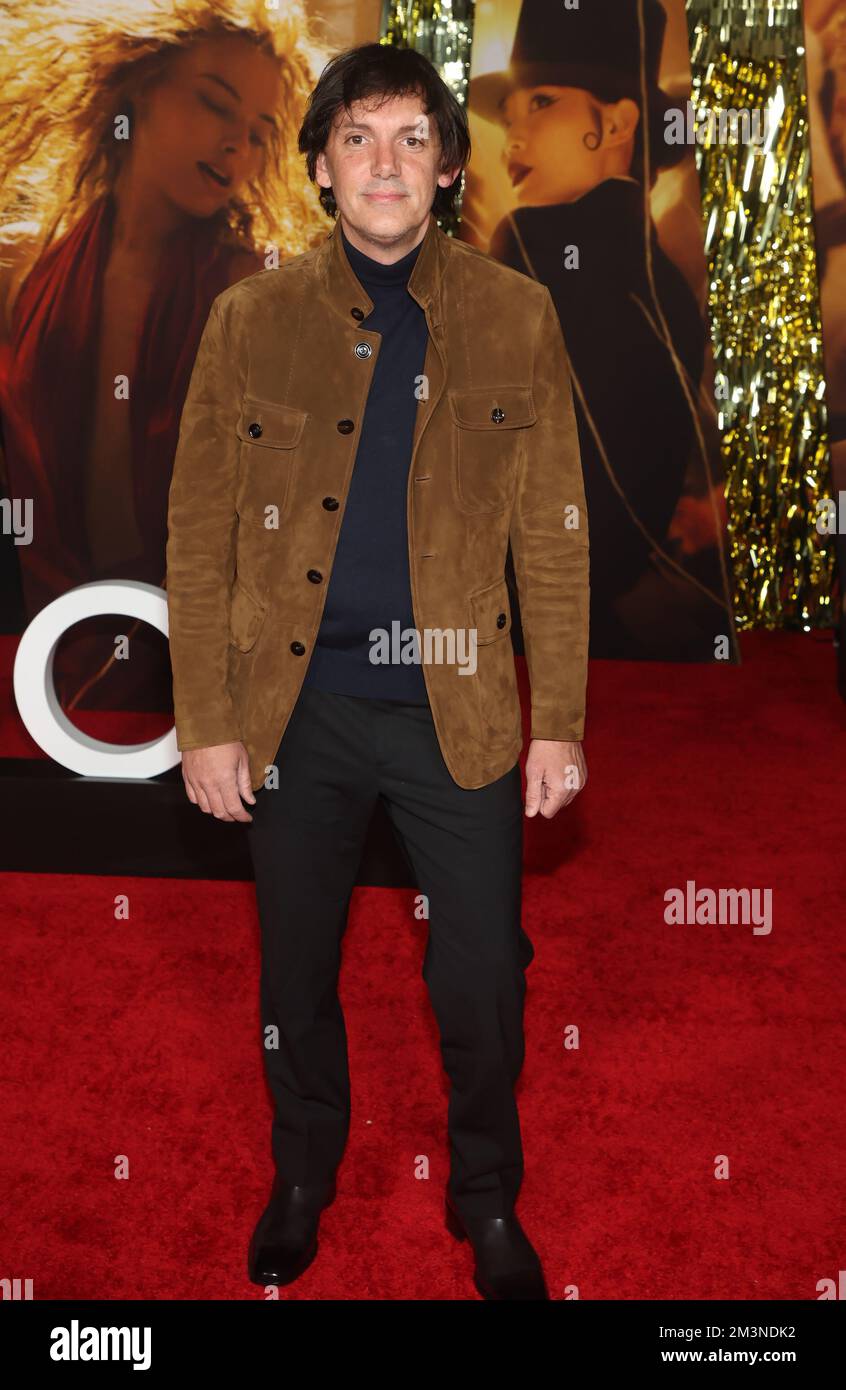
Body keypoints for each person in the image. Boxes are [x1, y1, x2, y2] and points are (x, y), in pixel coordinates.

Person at [165, 41, 590, 1300]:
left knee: (481, 979)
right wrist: (205, 719)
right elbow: (197, 533)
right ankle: (304, 1173)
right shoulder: (249, 321)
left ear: (449, 166)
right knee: (295, 969)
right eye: (358, 137)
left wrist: (559, 720)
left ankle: (486, 1195)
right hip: (292, 708)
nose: (386, 162)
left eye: (414, 137)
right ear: (321, 168)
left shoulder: (518, 315)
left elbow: (554, 535)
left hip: (457, 707)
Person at [0, 0, 326, 715]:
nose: (236, 146)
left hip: (203, 673)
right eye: (214, 104)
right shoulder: (28, 272)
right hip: (52, 656)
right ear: (140, 86)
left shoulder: (250, 291)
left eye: (259, 133)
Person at [469, 0, 731, 659]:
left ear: (615, 124)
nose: (513, 139)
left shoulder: (535, 251)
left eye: (542, 103)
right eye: (510, 117)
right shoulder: (665, 289)